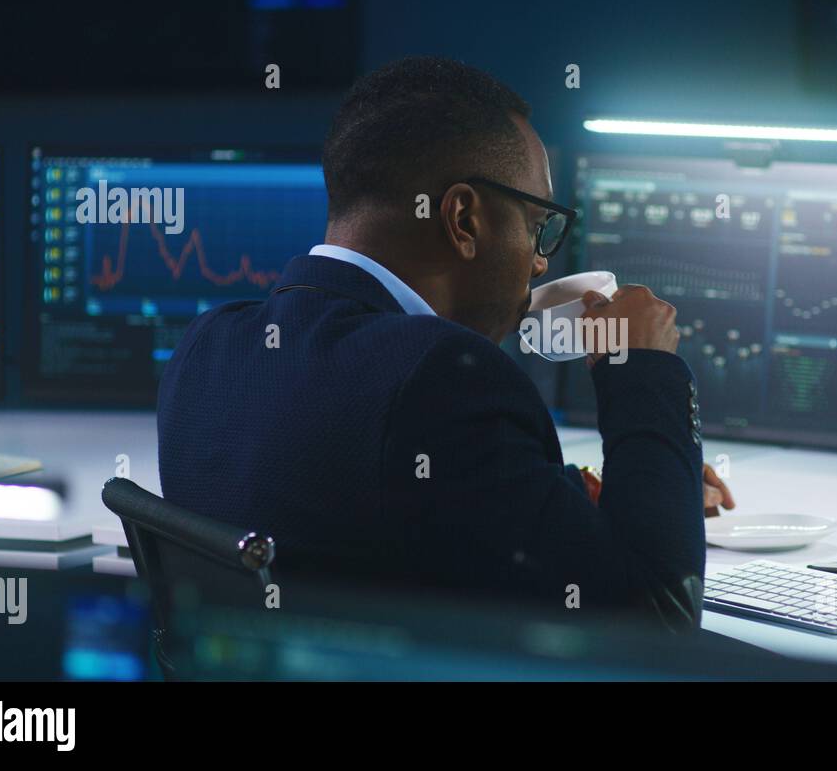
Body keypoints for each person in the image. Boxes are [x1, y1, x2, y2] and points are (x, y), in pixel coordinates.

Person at [157, 57, 734, 630]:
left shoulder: (206, 349)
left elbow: (398, 510)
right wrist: (640, 367)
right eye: (538, 227)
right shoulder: (447, 379)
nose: (539, 260)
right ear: (463, 219)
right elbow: (658, 619)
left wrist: (625, 490)